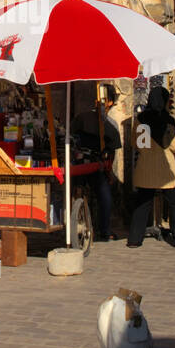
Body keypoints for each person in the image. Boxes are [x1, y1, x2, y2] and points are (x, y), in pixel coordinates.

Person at [127, 86, 175, 249]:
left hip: (145, 168)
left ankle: (134, 239)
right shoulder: (168, 121)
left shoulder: (140, 119)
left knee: (142, 204)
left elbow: (135, 143)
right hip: (166, 171)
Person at [71, 84, 121, 240]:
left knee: (104, 195)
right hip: (82, 164)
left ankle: (104, 229)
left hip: (95, 166)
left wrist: (108, 172)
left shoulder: (110, 125)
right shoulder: (83, 118)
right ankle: (78, 226)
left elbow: (110, 153)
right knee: (82, 192)